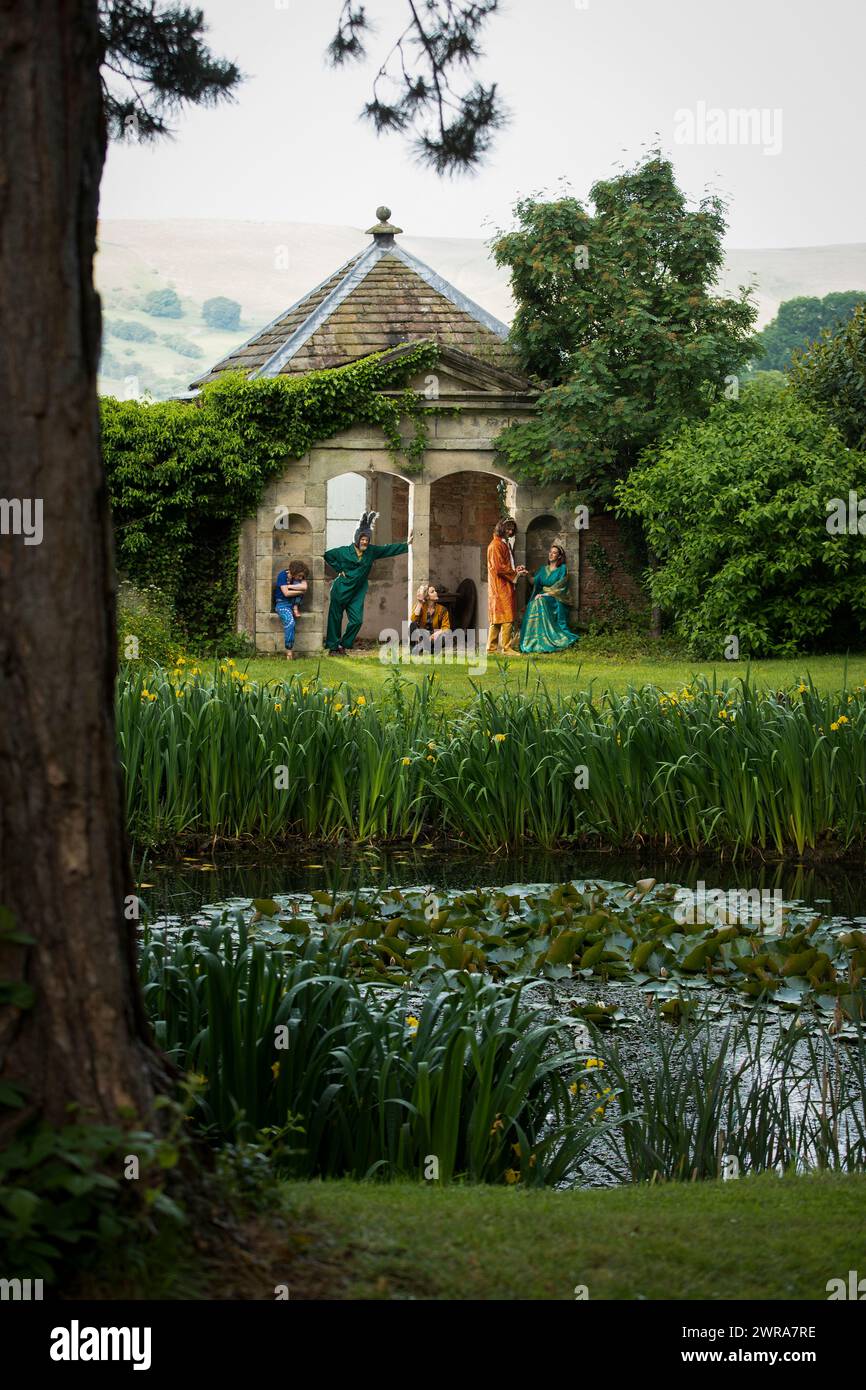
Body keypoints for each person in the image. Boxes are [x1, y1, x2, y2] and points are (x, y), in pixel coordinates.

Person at [324, 510, 413, 654]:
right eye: (362, 539)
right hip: (341, 589)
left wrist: (406, 545)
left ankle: (343, 644)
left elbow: (388, 549)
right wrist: (338, 569)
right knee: (335, 618)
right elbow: (327, 555)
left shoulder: (371, 551)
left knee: (357, 621)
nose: (364, 542)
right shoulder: (343, 551)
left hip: (357, 591)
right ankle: (333, 647)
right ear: (357, 539)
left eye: (367, 540)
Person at [518, 544, 580, 653]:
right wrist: (527, 574)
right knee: (534, 603)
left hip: (555, 599)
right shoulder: (543, 569)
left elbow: (560, 587)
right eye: (550, 552)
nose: (551, 554)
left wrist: (545, 595)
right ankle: (533, 640)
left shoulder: (562, 569)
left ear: (559, 556)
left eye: (554, 552)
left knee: (539, 601)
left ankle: (547, 640)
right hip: (541, 597)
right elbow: (533, 582)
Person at [486, 517, 527, 654]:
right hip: (499, 586)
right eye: (508, 529)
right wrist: (515, 574)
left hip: (504, 584)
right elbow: (499, 568)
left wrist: (517, 570)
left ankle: (492, 649)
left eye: (512, 530)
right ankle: (506, 648)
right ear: (501, 528)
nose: (510, 532)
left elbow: (506, 565)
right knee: (506, 616)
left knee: (499, 617)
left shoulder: (504, 544)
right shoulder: (495, 545)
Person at [273, 560, 309, 659]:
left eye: (303, 576)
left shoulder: (299, 578)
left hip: (293, 602)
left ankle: (295, 607)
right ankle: (289, 652)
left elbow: (305, 587)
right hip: (282, 604)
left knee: (300, 590)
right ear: (294, 572)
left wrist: (289, 586)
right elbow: (286, 593)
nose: (301, 578)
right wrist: (300, 591)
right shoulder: (282, 575)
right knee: (290, 623)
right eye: (300, 576)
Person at [410, 583, 452, 654]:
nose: (436, 592)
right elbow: (413, 619)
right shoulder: (421, 606)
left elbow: (446, 627)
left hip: (436, 637)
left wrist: (437, 633)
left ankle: (422, 648)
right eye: (432, 592)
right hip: (424, 635)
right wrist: (420, 602)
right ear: (427, 597)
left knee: (447, 633)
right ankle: (426, 648)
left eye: (435, 591)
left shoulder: (443, 609)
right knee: (412, 625)